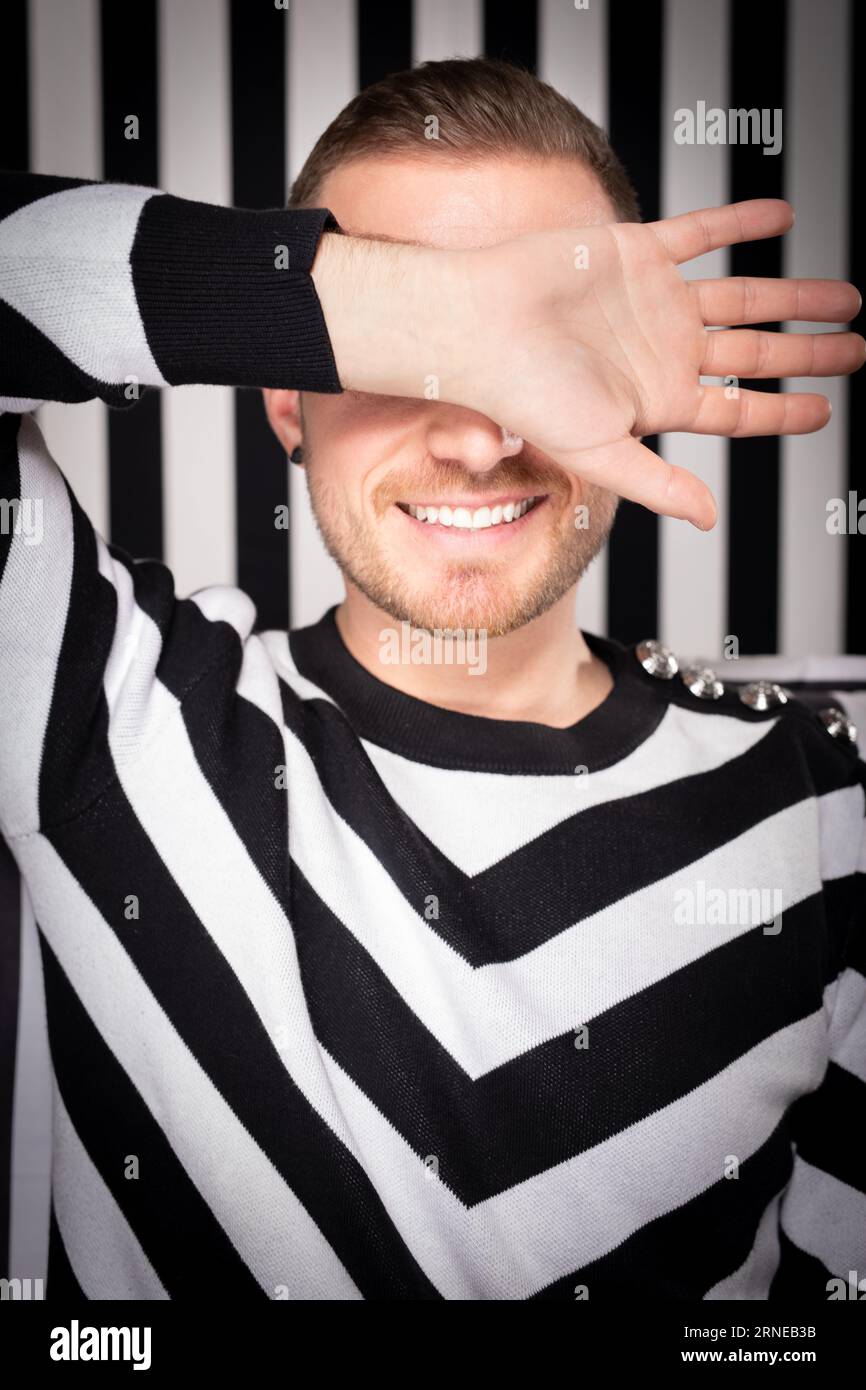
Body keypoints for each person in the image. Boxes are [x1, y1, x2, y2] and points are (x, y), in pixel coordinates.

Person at [1, 57, 864, 1301]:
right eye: (406, 351)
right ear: (286, 394)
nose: (474, 437)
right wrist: (398, 304)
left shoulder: (816, 797)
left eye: (544, 345)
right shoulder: (105, 712)